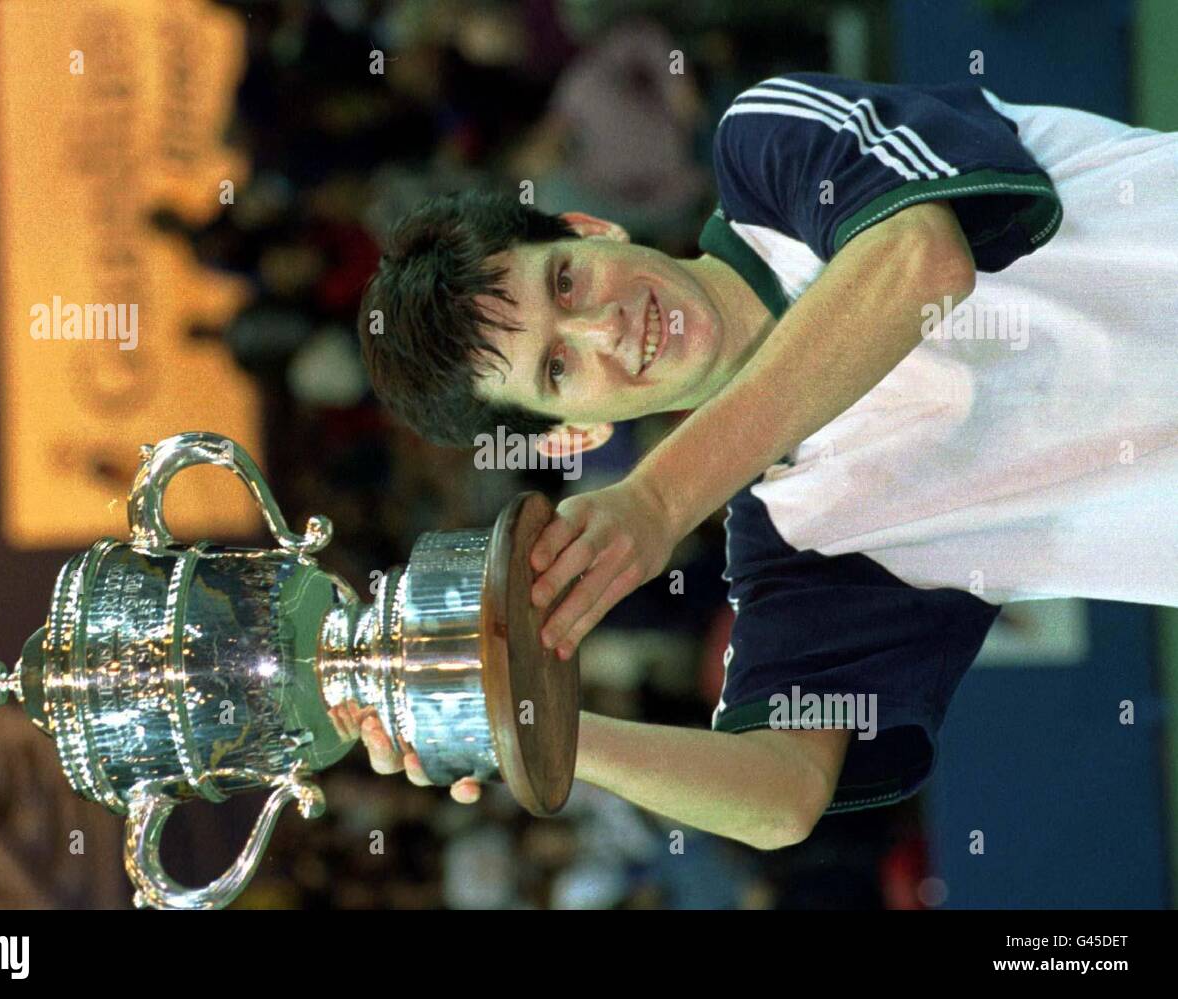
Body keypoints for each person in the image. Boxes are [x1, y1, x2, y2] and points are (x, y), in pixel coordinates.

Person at [346, 72, 1178, 850]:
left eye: (566, 283)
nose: (608, 327)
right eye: (558, 369)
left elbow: (924, 260)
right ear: (569, 437)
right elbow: (782, 792)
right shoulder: (800, 540)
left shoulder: (768, 149)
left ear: (591, 229)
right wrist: (533, 727)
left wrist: (662, 499)